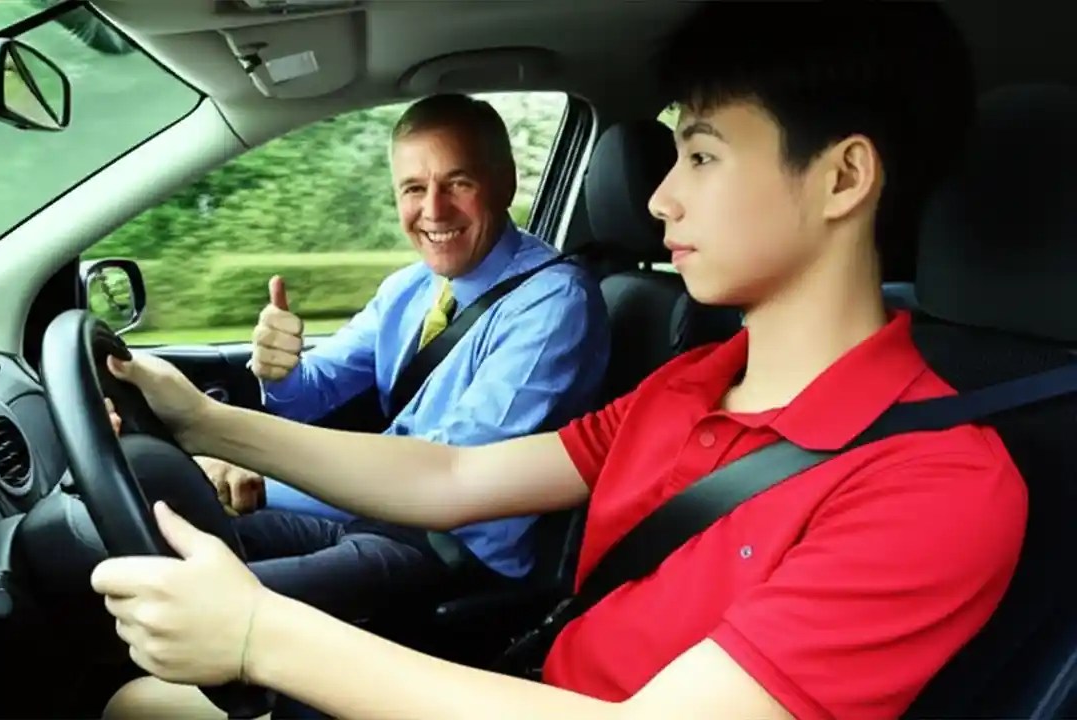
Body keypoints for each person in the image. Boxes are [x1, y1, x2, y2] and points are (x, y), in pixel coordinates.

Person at [91, 3, 1028, 718]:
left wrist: (258, 634)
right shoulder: (690, 383)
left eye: (700, 158)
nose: (658, 200)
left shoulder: (939, 484)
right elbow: (451, 473)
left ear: (842, 178)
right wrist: (205, 419)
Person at [122, 93, 610, 625]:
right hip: (375, 514)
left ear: (504, 182)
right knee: (167, 549)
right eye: (414, 189)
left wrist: (260, 477)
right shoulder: (412, 287)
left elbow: (451, 480)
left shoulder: (555, 304)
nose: (434, 210)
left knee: (197, 604)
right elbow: (316, 389)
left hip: (455, 549)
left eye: (459, 183)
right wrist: (282, 371)